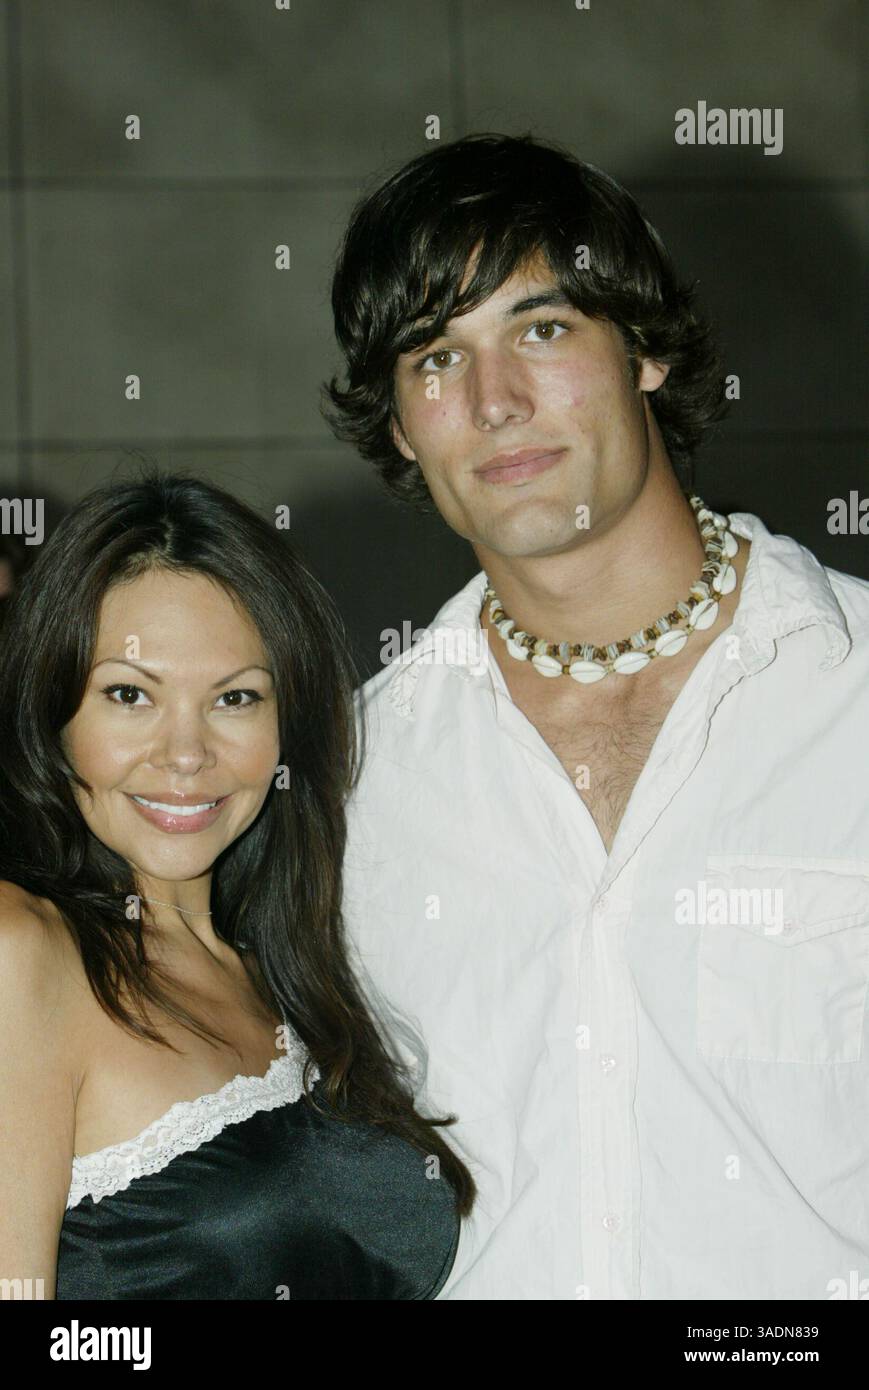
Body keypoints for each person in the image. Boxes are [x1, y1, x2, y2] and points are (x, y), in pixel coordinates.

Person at [325, 133, 869, 1300]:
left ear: (645, 353)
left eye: (541, 327)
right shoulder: (348, 778)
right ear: (401, 426)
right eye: (433, 358)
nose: (494, 402)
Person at [0, 471, 474, 1301]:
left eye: (235, 698)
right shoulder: (22, 955)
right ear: (52, 713)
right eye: (128, 694)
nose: (186, 754)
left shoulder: (283, 963)